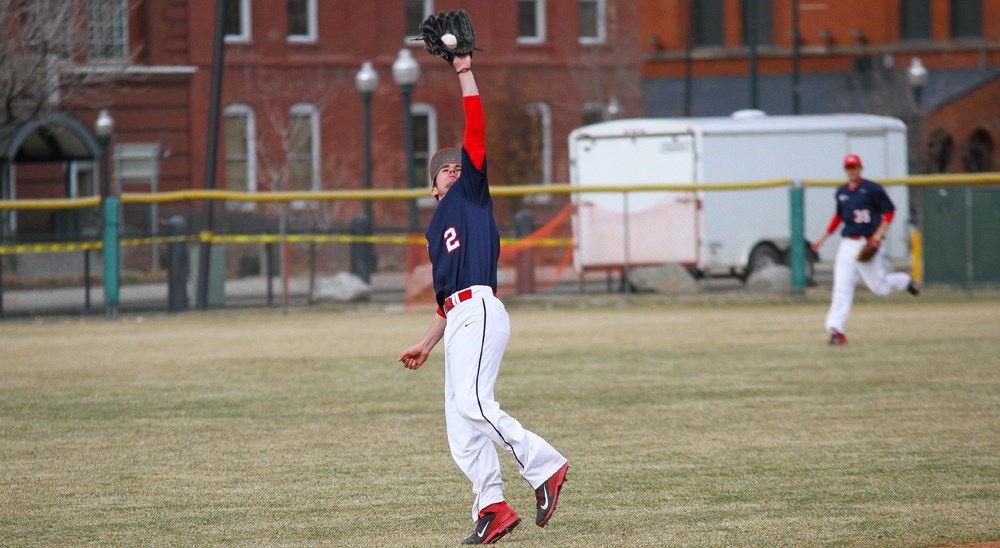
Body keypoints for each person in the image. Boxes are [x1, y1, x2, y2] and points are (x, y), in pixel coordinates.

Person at [397, 51, 569, 545]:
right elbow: (443, 300)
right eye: (444, 169)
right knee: (460, 424)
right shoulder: (435, 230)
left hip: (483, 310)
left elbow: (475, 124)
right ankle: (491, 506)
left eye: (457, 165)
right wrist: (428, 343)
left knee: (474, 402)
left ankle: (546, 467)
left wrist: (463, 70)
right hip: (458, 316)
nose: (453, 169)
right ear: (432, 188)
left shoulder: (472, 194)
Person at [811, 153, 919, 346]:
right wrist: (823, 239)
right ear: (845, 170)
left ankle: (903, 279)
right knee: (841, 287)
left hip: (867, 242)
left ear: (861, 168)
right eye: (848, 167)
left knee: (880, 289)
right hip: (847, 243)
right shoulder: (842, 192)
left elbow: (890, 211)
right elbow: (838, 217)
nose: (851, 170)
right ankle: (836, 331)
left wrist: (878, 235)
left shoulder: (872, 189)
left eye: (855, 167)